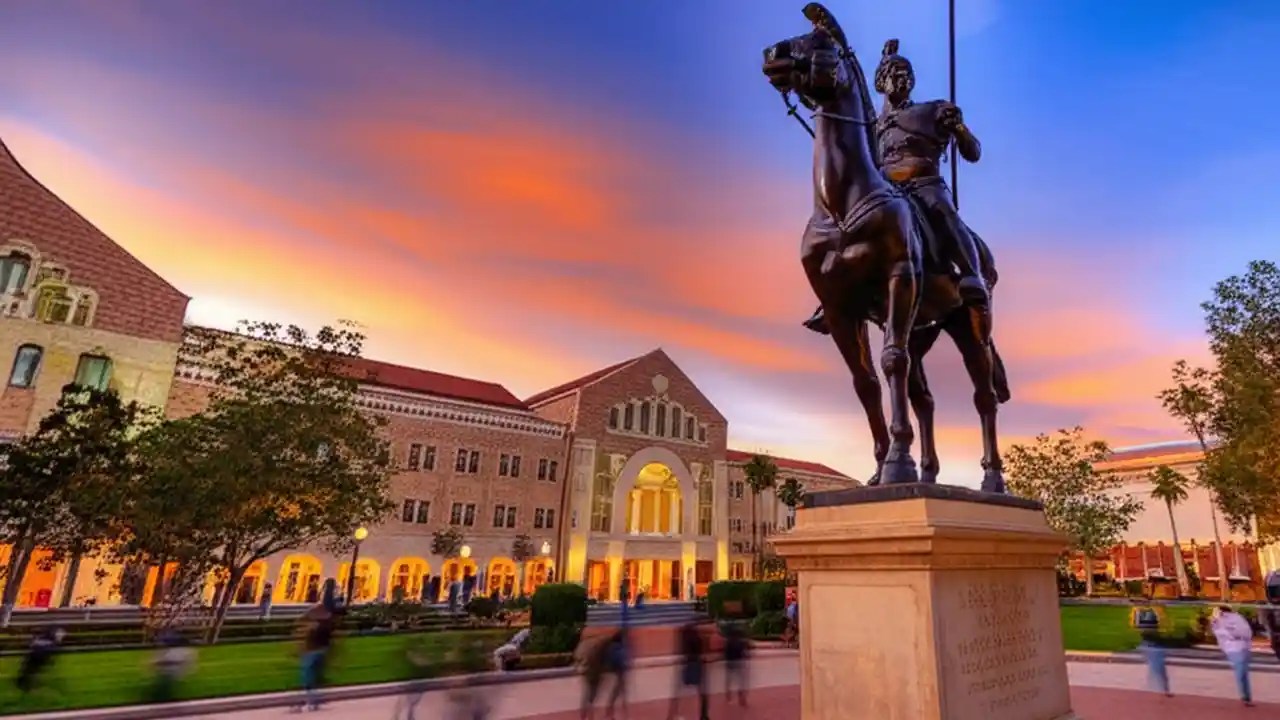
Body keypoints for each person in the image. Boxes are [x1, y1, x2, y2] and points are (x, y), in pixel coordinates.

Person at [801, 39, 997, 334]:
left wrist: (959, 128)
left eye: (907, 73)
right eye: (895, 72)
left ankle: (971, 275)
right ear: (881, 82)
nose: (902, 77)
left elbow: (973, 152)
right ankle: (834, 298)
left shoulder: (932, 110)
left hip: (924, 184)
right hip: (883, 193)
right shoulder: (871, 126)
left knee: (942, 211)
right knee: (843, 226)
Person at [294, 601, 338, 712]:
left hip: (313, 654)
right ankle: (313, 701)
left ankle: (311, 702)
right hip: (319, 653)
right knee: (313, 679)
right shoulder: (325, 627)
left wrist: (303, 651)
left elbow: (310, 642)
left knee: (309, 679)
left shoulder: (316, 627)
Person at [1211, 605, 1254, 707]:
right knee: (1240, 670)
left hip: (1243, 647)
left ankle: (1247, 696)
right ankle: (1244, 696)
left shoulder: (1237, 618)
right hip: (1232, 649)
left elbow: (1246, 632)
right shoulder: (1217, 620)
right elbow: (1219, 633)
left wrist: (1232, 634)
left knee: (1244, 672)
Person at [667, 622, 708, 720]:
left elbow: (684, 652)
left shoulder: (686, 640)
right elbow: (701, 652)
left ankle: (671, 715)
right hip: (697, 664)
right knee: (702, 691)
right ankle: (704, 715)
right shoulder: (698, 639)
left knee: (678, 691)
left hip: (687, 664)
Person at [150, 628, 197, 702]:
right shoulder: (177, 651)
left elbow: (169, 662)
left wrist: (157, 664)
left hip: (173, 672)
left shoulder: (177, 652)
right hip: (174, 671)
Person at [15, 626, 64, 696]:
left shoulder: (46, 640)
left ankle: (25, 685)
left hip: (36, 656)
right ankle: (26, 686)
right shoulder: (48, 641)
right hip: (37, 656)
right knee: (31, 671)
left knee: (31, 670)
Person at [722, 620, 749, 706]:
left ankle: (728, 695)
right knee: (740, 680)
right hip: (739, 662)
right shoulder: (740, 642)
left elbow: (725, 653)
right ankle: (741, 696)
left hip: (730, 662)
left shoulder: (728, 642)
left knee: (729, 680)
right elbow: (744, 652)